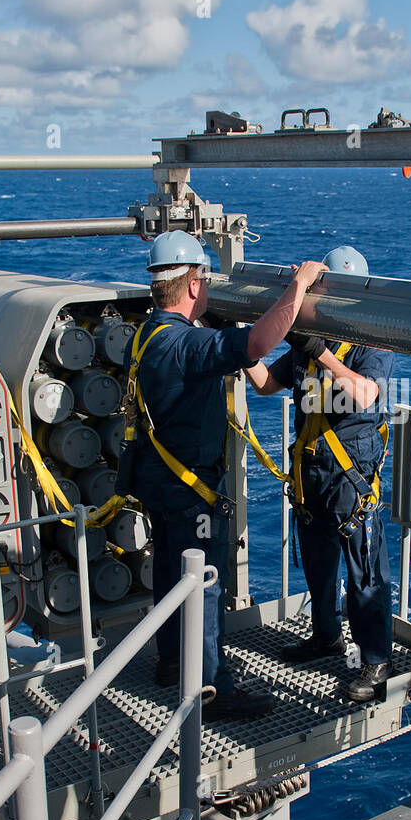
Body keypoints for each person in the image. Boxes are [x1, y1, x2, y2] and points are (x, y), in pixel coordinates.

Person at [116, 229, 327, 721]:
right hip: (192, 490)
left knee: (170, 576)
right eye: (205, 282)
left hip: (159, 481)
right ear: (193, 287)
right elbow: (258, 341)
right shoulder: (187, 345)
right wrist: (298, 287)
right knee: (204, 585)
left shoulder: (147, 336)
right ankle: (212, 690)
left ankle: (172, 663)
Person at [252, 245, 396, 702]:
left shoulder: (370, 341)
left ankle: (374, 662)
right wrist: (237, 346)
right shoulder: (305, 340)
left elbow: (366, 395)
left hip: (350, 473)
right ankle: (326, 636)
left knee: (365, 572)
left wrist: (322, 355)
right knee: (318, 563)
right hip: (312, 471)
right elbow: (265, 385)